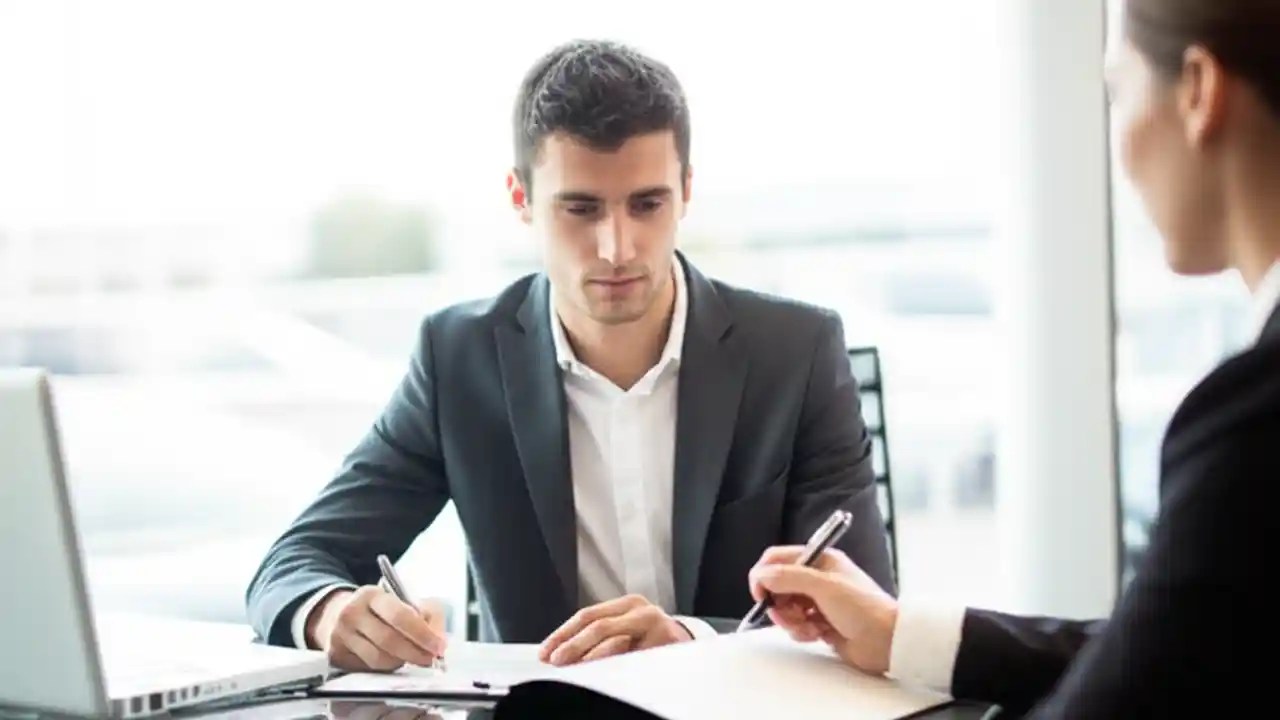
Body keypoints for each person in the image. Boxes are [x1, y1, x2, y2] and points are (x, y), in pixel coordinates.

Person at [244, 38, 895, 673]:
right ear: (520, 198)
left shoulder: (796, 353)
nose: (617, 247)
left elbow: (864, 614)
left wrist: (692, 640)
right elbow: (293, 564)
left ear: (687, 190)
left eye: (647, 204)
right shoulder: (459, 360)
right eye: (580, 208)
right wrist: (330, 613)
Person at [748, 0, 1279, 716]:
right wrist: (901, 634)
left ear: (1198, 90)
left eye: (1116, 91)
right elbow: (1175, 647)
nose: (1115, 141)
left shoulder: (1254, 413)